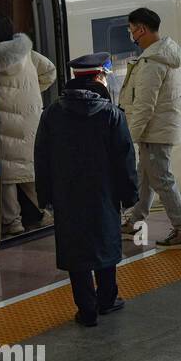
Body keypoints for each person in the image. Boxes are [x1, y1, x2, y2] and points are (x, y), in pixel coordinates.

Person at [34, 54, 139, 327]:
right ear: (98, 77)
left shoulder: (52, 114)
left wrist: (45, 197)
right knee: (105, 242)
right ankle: (107, 300)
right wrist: (129, 195)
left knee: (76, 248)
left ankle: (87, 308)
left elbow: (41, 159)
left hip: (67, 196)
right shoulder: (112, 115)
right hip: (104, 194)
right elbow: (125, 159)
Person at [118, 7, 181, 250]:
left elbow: (144, 105)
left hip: (154, 131)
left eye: (132, 31)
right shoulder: (165, 54)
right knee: (146, 177)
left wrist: (129, 137)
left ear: (141, 29)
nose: (132, 36)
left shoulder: (152, 62)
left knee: (161, 179)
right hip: (159, 129)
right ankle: (135, 220)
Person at [0, 13, 55, 237]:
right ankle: (45, 212)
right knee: (29, 169)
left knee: (7, 174)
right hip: (30, 120)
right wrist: (34, 91)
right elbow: (50, 71)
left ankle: (12, 222)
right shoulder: (27, 52)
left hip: (0, 124)